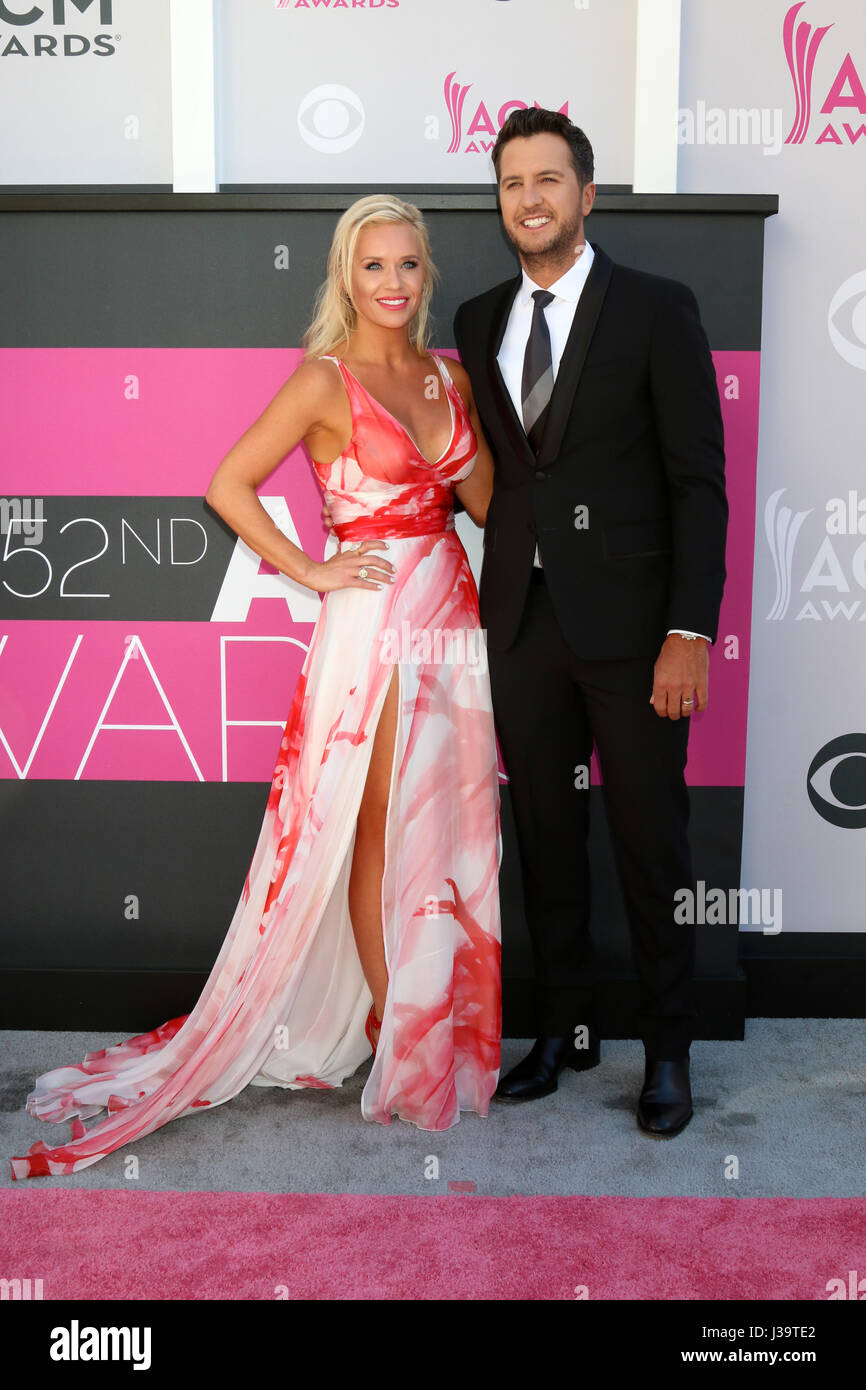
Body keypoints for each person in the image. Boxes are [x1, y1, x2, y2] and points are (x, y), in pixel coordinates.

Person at [11, 195, 501, 1179]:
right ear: (343, 277)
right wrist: (313, 571)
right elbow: (226, 482)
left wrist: (490, 424)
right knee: (379, 831)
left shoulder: (450, 378)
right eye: (372, 267)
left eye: (408, 265)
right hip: (373, 624)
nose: (392, 283)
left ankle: (437, 1027)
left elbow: (485, 500)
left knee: (450, 829)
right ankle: (399, 1047)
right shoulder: (323, 382)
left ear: (426, 274)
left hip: (452, 615)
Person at [452, 108, 728, 1137]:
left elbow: (697, 483)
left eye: (548, 180)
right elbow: (499, 474)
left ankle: (665, 1050)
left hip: (634, 636)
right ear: (500, 200)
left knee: (648, 841)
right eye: (511, 182)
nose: (528, 198)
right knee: (544, 837)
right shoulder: (479, 319)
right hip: (521, 625)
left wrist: (687, 631)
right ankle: (562, 1033)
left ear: (586, 195)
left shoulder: (657, 308)